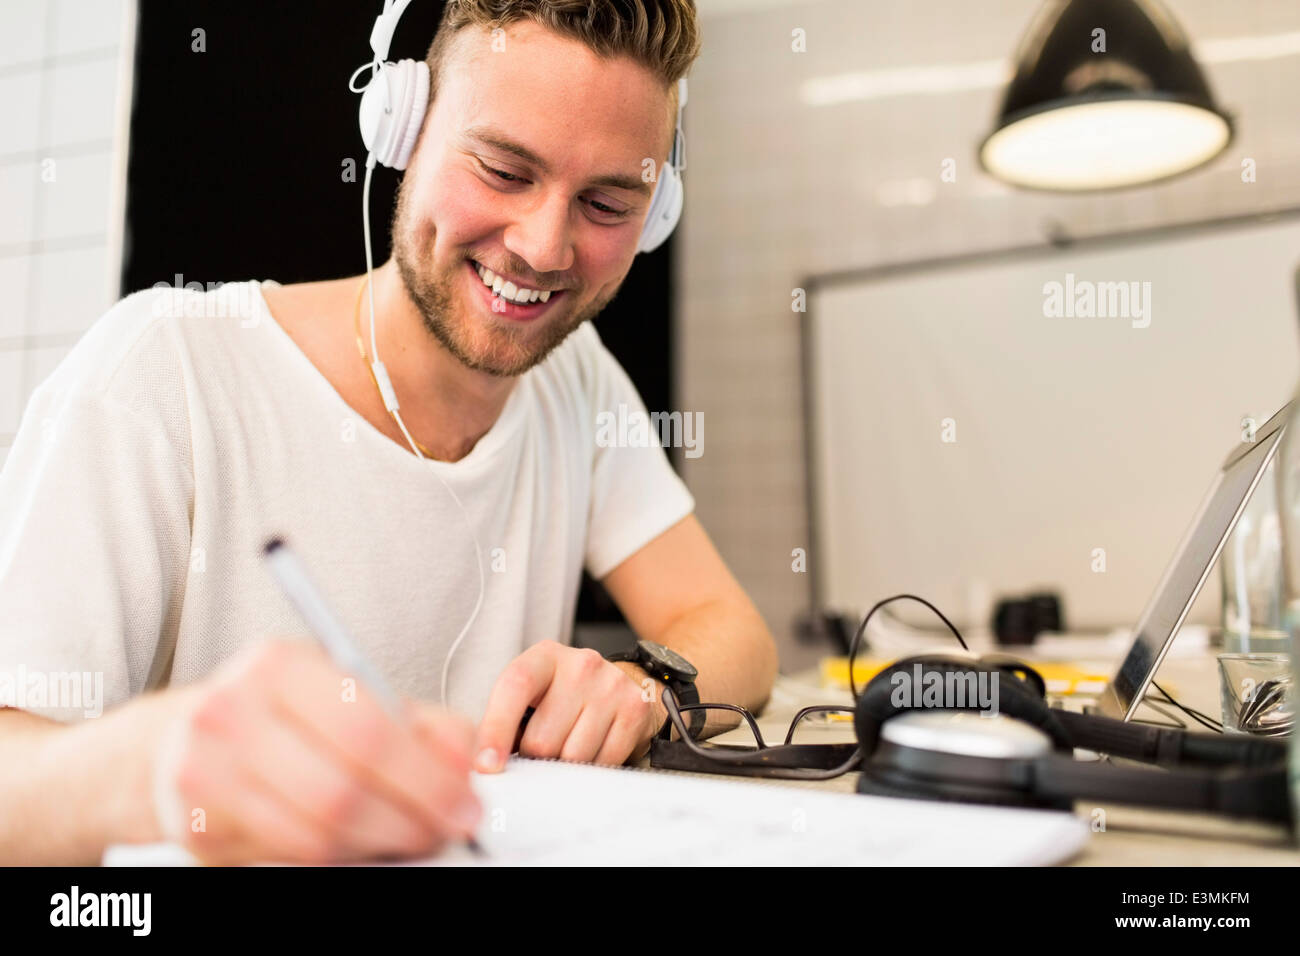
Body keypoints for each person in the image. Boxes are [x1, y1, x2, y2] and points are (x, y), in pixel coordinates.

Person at [0, 0, 777, 865]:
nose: (543, 247)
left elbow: (732, 630)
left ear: (656, 210)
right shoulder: (162, 372)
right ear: (401, 126)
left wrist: (644, 689)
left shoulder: (578, 379)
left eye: (604, 203)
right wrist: (152, 768)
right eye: (503, 170)